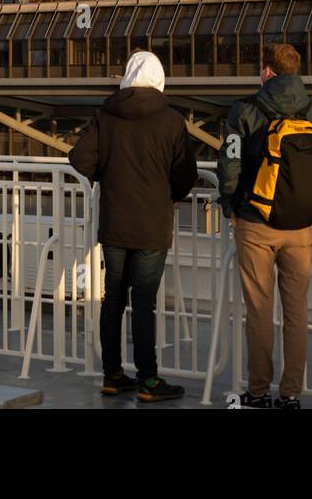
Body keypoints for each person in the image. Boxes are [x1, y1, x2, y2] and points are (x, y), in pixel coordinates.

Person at [69, 50, 198, 402]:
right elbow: (187, 173)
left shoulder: (106, 115)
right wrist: (169, 193)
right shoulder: (171, 121)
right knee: (144, 302)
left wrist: (105, 176)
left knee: (113, 298)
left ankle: (112, 375)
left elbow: (79, 157)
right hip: (152, 224)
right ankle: (149, 380)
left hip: (115, 221)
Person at [218, 43, 312, 410]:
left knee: (259, 310)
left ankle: (257, 392)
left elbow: (230, 163)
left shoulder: (246, 111)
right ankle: (291, 395)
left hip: (255, 223)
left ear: (268, 71)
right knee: (296, 312)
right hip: (301, 228)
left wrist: (230, 207)